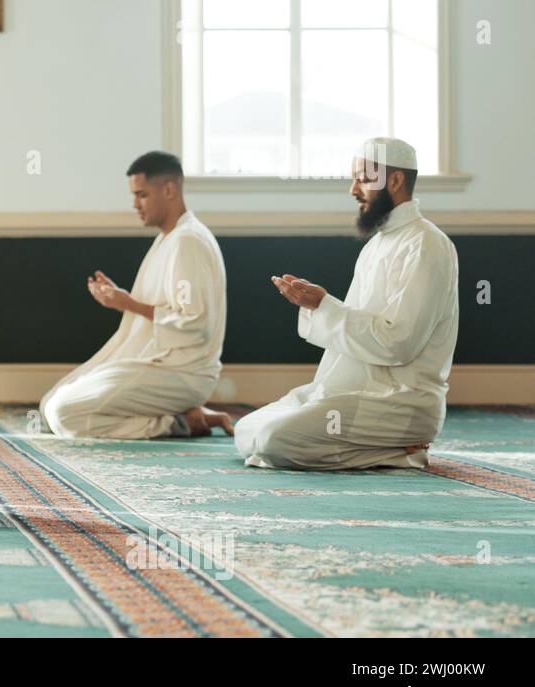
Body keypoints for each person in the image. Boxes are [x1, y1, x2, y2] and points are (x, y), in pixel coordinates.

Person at [234, 137, 459, 469]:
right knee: (246, 430)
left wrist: (326, 305)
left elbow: (398, 344)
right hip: (355, 392)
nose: (353, 190)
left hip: (400, 402)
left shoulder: (427, 245)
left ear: (395, 181)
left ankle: (402, 449)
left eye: (364, 179)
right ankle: (392, 451)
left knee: (272, 440)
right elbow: (360, 322)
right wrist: (316, 305)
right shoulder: (376, 246)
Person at [40, 151, 232, 439]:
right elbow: (161, 306)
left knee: (64, 413)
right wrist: (119, 299)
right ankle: (183, 414)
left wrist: (128, 304)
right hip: (155, 361)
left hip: (182, 372)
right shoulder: (168, 238)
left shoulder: (188, 241)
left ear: (169, 190)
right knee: (47, 407)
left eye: (141, 195)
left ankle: (180, 422)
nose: (135, 205)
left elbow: (195, 324)